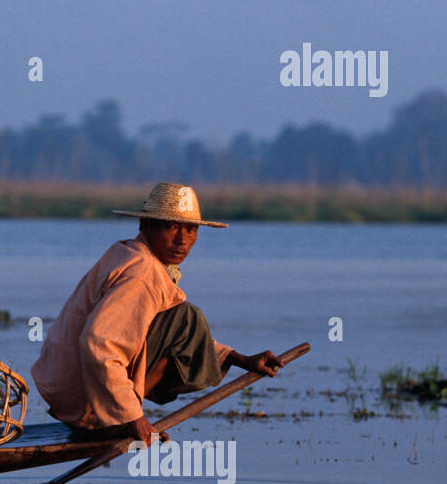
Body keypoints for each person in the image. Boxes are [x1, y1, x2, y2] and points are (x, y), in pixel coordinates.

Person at [31, 182, 281, 447]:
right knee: (187, 318)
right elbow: (98, 344)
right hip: (84, 403)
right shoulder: (143, 274)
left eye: (191, 229)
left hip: (66, 391)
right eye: (171, 226)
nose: (182, 240)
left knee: (183, 321)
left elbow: (162, 329)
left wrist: (240, 359)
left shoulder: (127, 251)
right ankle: (109, 421)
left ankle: (114, 414)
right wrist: (132, 417)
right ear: (146, 226)